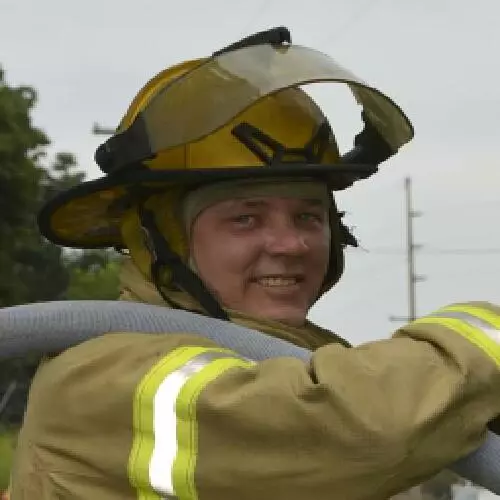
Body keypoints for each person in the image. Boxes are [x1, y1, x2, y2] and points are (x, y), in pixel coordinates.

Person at [9, 28, 500, 500]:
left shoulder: (291, 358)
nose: (290, 244)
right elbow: (352, 429)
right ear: (162, 240)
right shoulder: (102, 376)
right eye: (245, 218)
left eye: (309, 216)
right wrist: (488, 339)